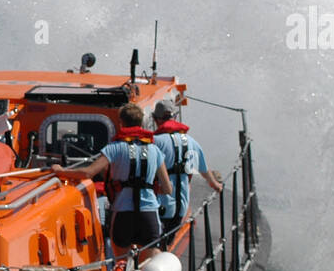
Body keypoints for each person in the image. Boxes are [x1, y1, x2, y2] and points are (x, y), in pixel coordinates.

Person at [56, 103, 171, 259]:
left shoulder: (114, 148)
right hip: (149, 214)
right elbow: (168, 188)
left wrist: (62, 172)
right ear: (141, 123)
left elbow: (88, 172)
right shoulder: (155, 150)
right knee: (150, 263)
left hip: (123, 213)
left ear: (121, 123)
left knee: (121, 263)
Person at [151, 100, 223, 243]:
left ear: (156, 119)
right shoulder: (192, 142)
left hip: (159, 206)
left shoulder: (155, 142)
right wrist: (215, 185)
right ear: (175, 117)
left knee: (154, 244)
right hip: (181, 207)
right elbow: (203, 169)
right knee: (168, 241)